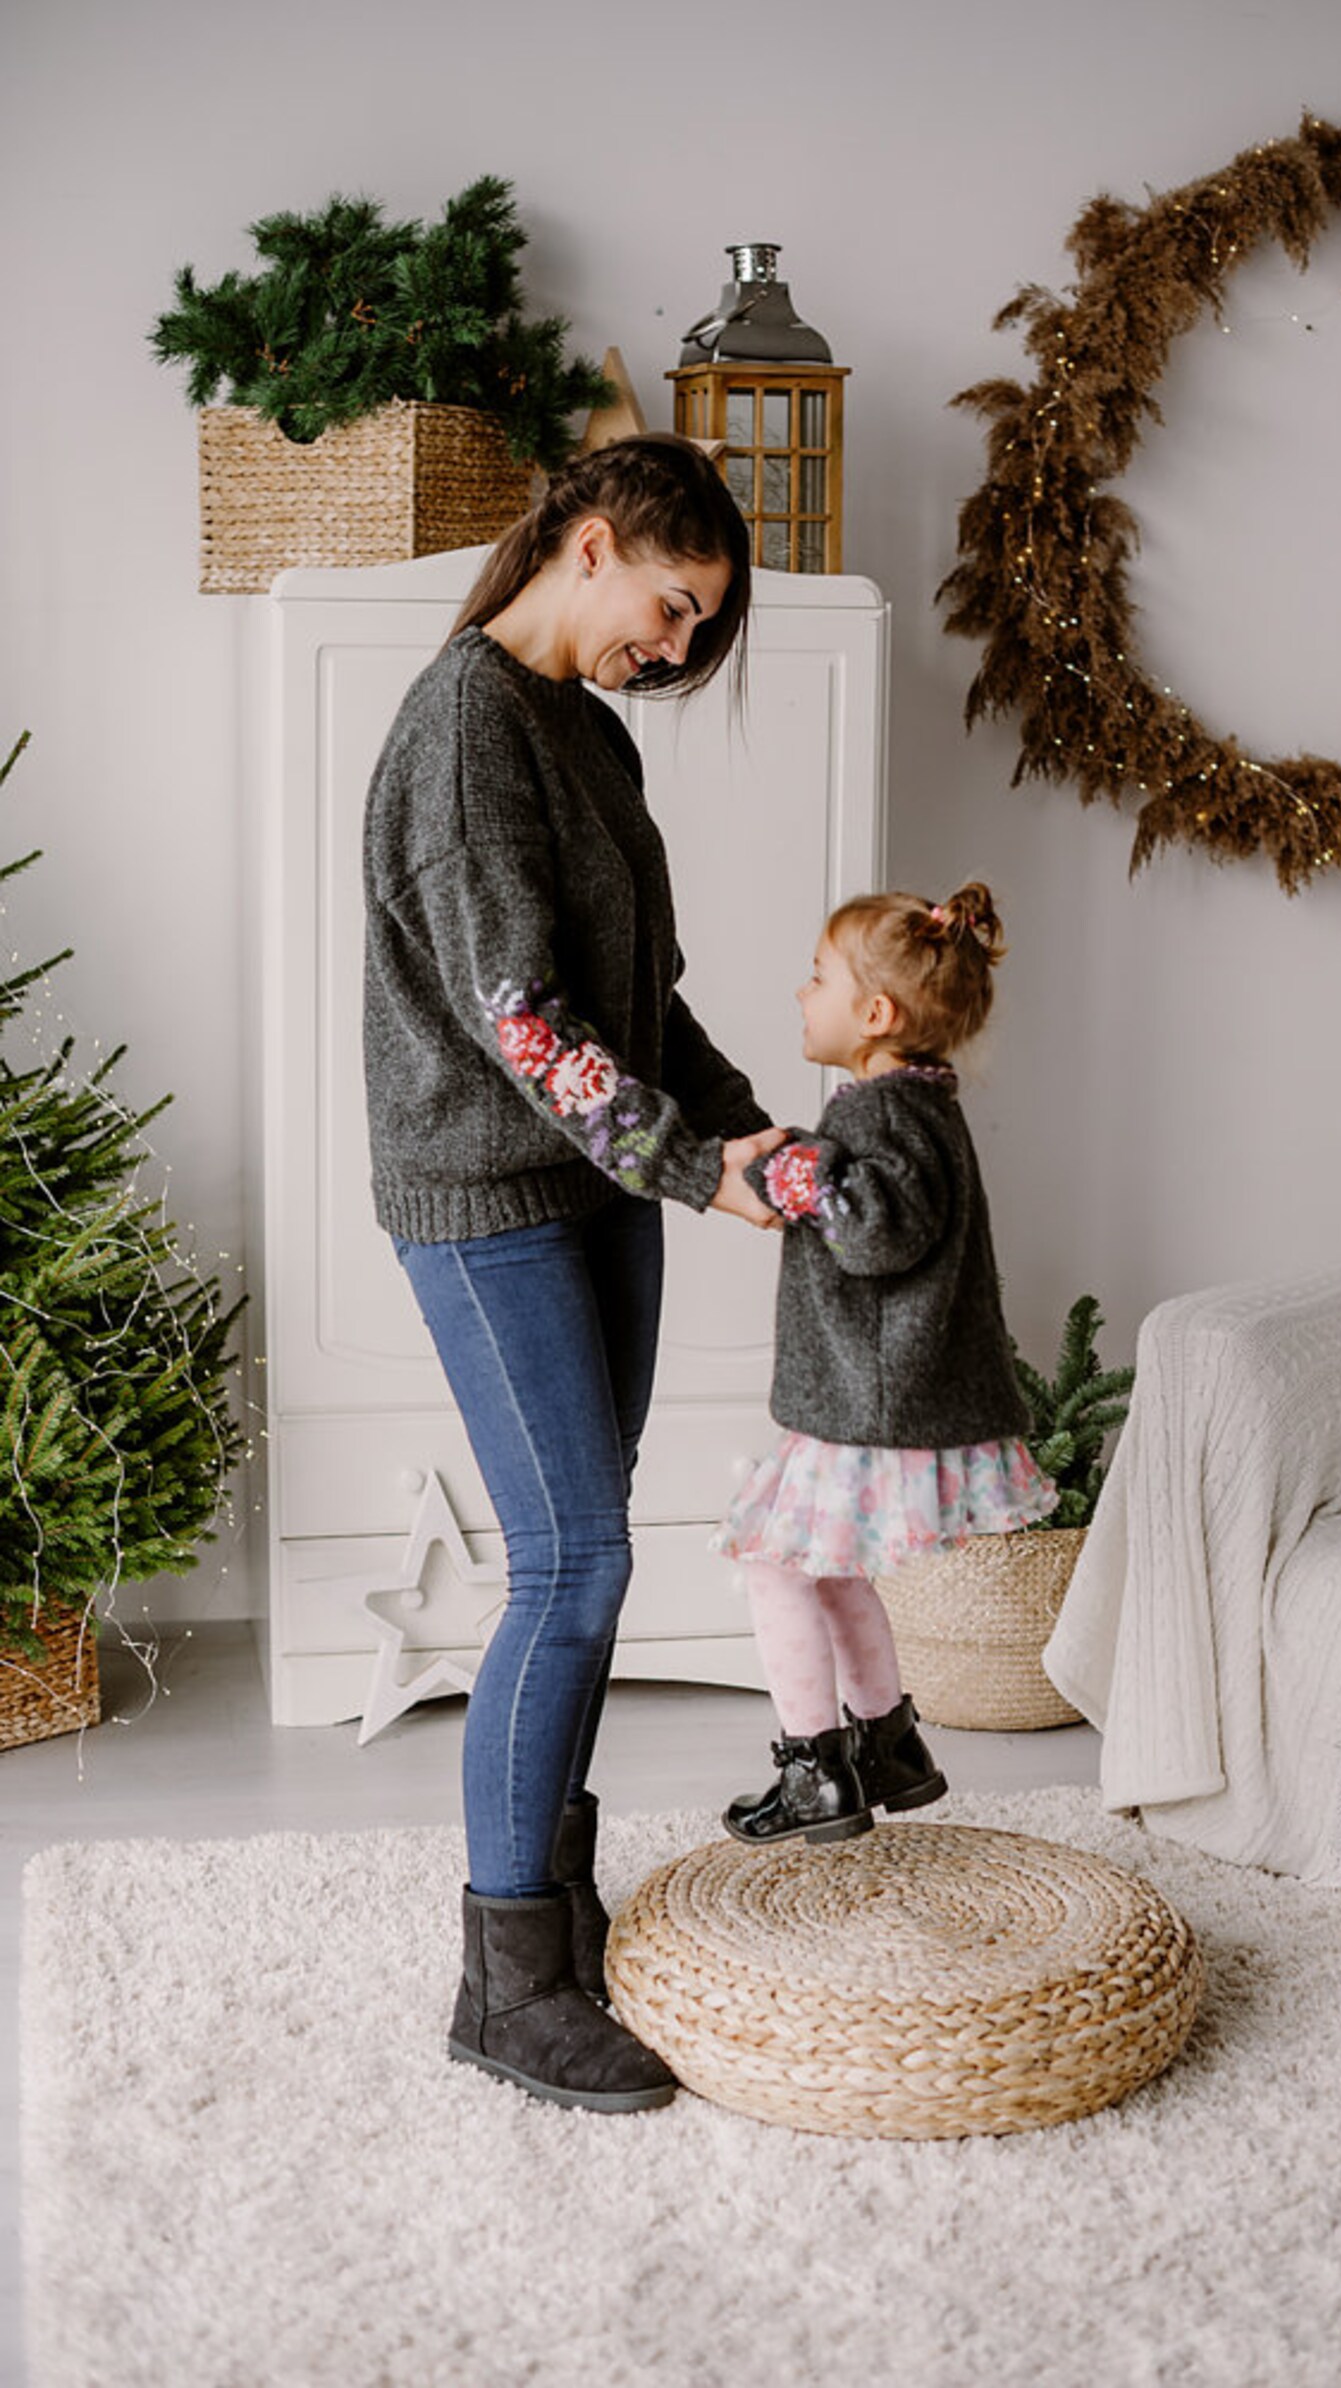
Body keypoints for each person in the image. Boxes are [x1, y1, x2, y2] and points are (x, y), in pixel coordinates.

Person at [363, 433, 784, 2114]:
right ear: (593, 545)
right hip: (488, 1200)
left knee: (583, 1549)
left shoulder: (587, 735)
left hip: (595, 1188)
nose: (673, 651)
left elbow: (640, 1002)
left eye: (697, 631)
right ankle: (504, 1976)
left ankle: (553, 1896)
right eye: (673, 607)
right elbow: (527, 1022)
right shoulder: (467, 733)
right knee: (573, 1564)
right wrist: (688, 1160)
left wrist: (748, 1136)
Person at [714, 882, 1057, 1844]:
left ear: (875, 1016)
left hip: (871, 1400)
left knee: (773, 1560)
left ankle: (815, 1768)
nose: (799, 994)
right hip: (882, 1392)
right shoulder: (913, 1106)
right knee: (828, 1570)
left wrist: (798, 1170)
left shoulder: (881, 1115)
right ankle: (888, 1748)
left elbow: (872, 1234)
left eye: (817, 978)